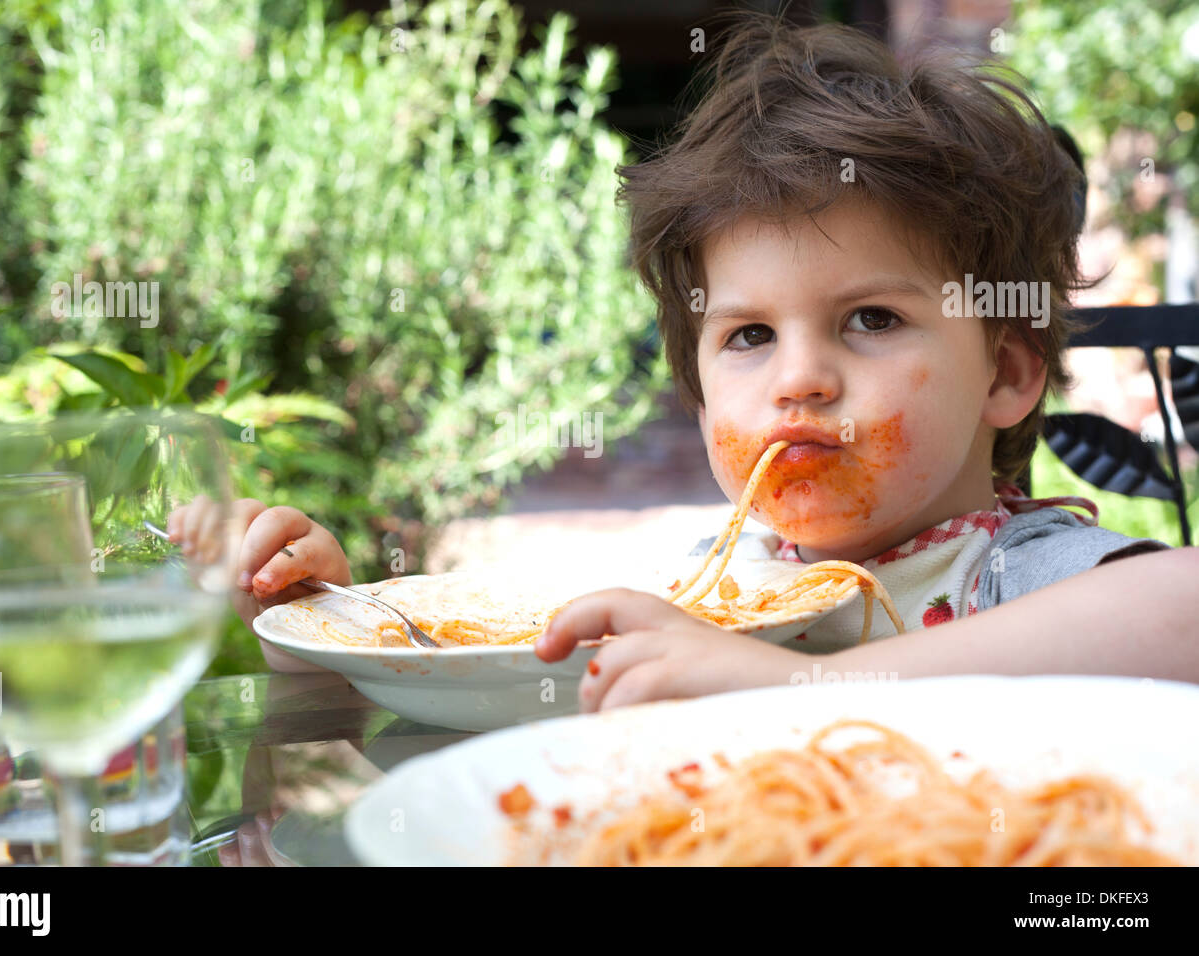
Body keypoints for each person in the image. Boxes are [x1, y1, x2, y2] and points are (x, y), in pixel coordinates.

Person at [171, 15, 1199, 711]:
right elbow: (512, 699)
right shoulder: (726, 582)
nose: (799, 378)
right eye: (748, 335)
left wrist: (781, 688)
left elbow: (1180, 614)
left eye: (871, 319)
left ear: (1006, 374)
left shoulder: (1006, 572)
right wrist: (333, 622)